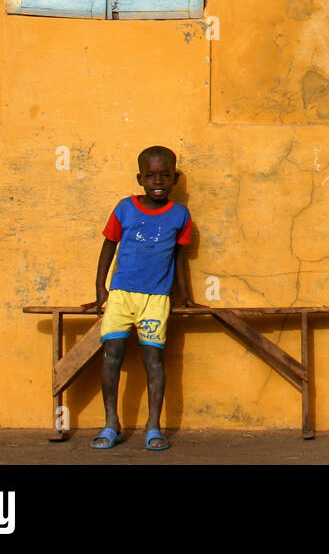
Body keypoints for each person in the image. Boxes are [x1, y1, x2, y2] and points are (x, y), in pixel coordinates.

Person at [82, 145, 202, 450]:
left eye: (164, 175)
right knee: (112, 355)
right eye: (151, 176)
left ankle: (153, 428)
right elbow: (109, 245)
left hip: (157, 298)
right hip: (121, 294)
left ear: (174, 178)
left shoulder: (180, 214)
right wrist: (100, 288)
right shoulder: (125, 208)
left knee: (153, 360)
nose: (158, 181)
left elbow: (178, 257)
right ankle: (111, 424)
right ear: (140, 178)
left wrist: (185, 295)